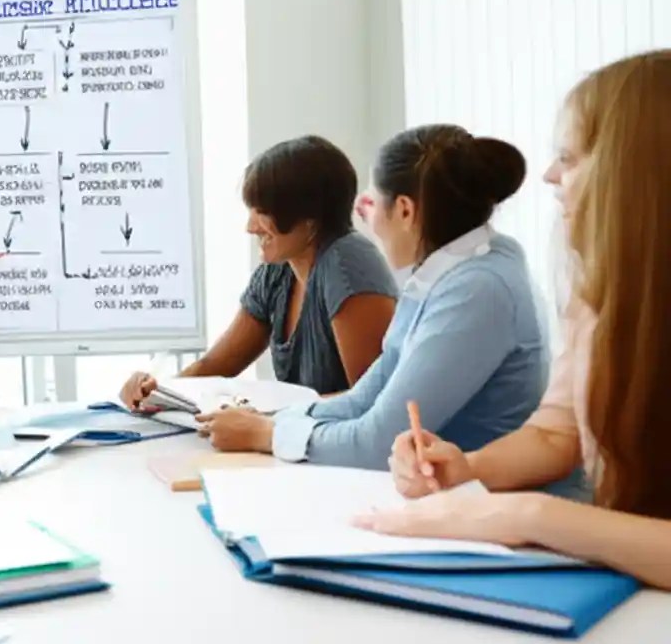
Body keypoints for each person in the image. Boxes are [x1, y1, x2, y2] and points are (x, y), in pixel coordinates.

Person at [358, 51, 671, 588]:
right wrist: (467, 468)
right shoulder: (597, 299)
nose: (550, 174)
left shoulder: (480, 283)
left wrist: (527, 516)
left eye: (569, 158)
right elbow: (555, 434)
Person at [197, 125, 549, 467]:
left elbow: (378, 441)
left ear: (405, 211)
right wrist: (266, 419)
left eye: (372, 202)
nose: (367, 218)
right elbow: (365, 398)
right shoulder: (446, 276)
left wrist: (267, 434)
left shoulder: (477, 292)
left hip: (477, 504)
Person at [120, 135, 398, 407]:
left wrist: (264, 421)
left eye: (263, 212)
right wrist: (159, 393)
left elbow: (373, 401)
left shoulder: (347, 262)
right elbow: (216, 365)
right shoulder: (276, 273)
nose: (250, 227)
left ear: (310, 218)